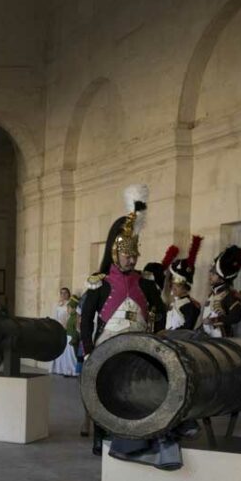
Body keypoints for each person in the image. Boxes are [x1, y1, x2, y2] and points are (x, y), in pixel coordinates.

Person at [78, 184, 166, 454]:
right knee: (104, 392)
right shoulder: (99, 284)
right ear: (116, 253)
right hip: (106, 346)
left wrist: (155, 335)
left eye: (135, 254)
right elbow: (86, 321)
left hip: (139, 347)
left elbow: (160, 310)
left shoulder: (146, 281)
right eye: (128, 254)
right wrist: (89, 351)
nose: (132, 258)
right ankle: (100, 435)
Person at [201, 234, 241, 338]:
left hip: (222, 338)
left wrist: (215, 320)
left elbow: (237, 316)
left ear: (222, 277)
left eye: (213, 274)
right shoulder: (212, 294)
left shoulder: (228, 295)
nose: (210, 276)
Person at [166, 235, 203, 332]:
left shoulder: (190, 305)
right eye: (172, 284)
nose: (173, 287)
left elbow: (187, 329)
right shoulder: (176, 302)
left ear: (186, 288)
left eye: (177, 285)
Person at [49, 287, 79, 377]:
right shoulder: (58, 305)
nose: (63, 295)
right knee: (60, 350)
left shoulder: (72, 304)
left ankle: (71, 369)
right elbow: (56, 317)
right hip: (60, 329)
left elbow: (73, 318)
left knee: (68, 352)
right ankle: (59, 368)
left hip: (68, 330)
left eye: (65, 293)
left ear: (68, 294)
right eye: (61, 293)